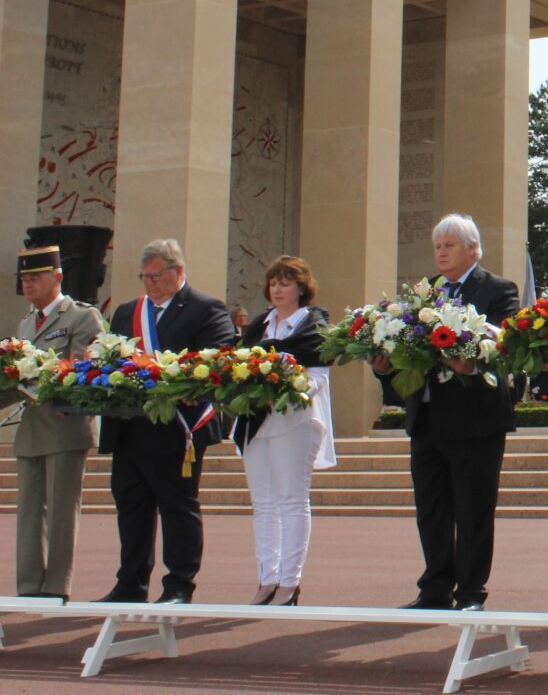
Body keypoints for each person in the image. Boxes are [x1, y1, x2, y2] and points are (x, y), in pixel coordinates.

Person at [375, 213, 518, 612]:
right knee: (432, 510)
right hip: (427, 415)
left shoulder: (498, 289)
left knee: (472, 510)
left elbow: (503, 344)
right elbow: (406, 352)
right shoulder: (425, 293)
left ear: (473, 248)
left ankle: (471, 593)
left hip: (475, 419)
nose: (440, 252)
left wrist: (470, 364)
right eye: (437, 246)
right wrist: (383, 366)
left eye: (449, 245)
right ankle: (435, 588)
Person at [99, 238, 236, 604]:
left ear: (177, 272)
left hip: (178, 428)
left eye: (156, 276)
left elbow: (219, 358)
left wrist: (184, 379)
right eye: (144, 276)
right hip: (130, 427)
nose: (149, 283)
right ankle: (130, 585)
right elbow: (110, 358)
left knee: (178, 507)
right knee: (131, 508)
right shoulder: (128, 311)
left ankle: (178, 585)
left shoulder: (206, 308)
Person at [231, 256, 335, 607]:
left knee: (292, 500)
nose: (277, 289)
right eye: (274, 282)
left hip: (296, 419)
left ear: (301, 288)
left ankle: (289, 583)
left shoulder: (313, 324)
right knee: (263, 504)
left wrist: (287, 385)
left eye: (286, 282)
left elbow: (318, 375)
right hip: (258, 421)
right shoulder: (259, 325)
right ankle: (267, 578)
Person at [4, 244, 104, 599]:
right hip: (32, 429)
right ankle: (29, 586)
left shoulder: (81, 317)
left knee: (61, 511)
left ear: (57, 276)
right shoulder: (26, 322)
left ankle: (56, 586)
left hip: (65, 427)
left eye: (35, 277)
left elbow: (81, 370)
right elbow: (16, 377)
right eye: (24, 278)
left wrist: (36, 381)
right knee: (29, 514)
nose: (28, 284)